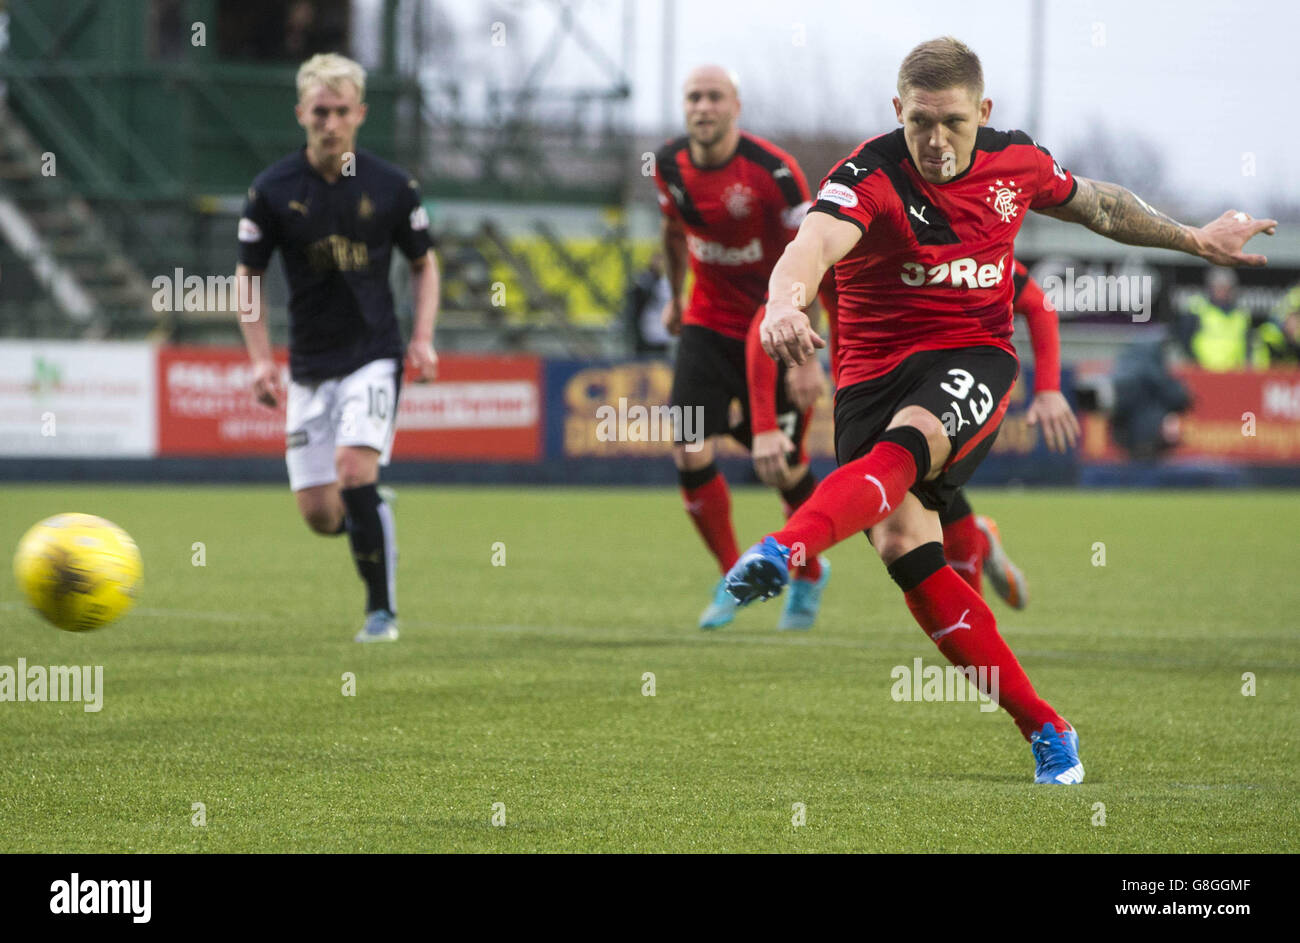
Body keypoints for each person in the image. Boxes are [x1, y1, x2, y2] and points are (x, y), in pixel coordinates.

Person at [722, 37, 1276, 784]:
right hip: (869, 380)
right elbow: (811, 244)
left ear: (983, 112)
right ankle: (1047, 725)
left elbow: (1102, 205)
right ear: (898, 112)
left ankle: (788, 547)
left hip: (971, 359)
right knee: (903, 552)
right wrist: (782, 303)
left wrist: (1193, 238)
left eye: (952, 121)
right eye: (920, 121)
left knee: (912, 443)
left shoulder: (1017, 164)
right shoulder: (868, 175)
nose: (936, 138)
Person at [233, 53, 440, 643]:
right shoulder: (271, 190)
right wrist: (259, 358)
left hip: (375, 354)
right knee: (322, 516)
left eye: (341, 111)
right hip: (309, 365)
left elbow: (425, 266)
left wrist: (422, 339)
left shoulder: (392, 187)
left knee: (354, 468)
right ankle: (372, 508)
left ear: (360, 114)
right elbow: (247, 276)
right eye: (319, 112)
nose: (330, 123)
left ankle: (381, 614)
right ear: (301, 113)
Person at [653, 65, 835, 631]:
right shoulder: (668, 165)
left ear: (735, 105)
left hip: (774, 329)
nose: (702, 107)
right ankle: (735, 575)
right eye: (692, 98)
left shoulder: (774, 173)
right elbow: (674, 230)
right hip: (706, 323)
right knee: (687, 446)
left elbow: (815, 255)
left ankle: (808, 573)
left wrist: (807, 353)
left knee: (779, 466)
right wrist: (676, 297)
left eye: (713, 97)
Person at [940, 261, 1080, 608]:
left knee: (915, 488)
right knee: (905, 506)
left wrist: (1047, 387)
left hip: (947, 383)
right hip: (867, 383)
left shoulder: (962, 240)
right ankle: (977, 540)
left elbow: (1037, 303)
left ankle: (971, 625)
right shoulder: (846, 230)